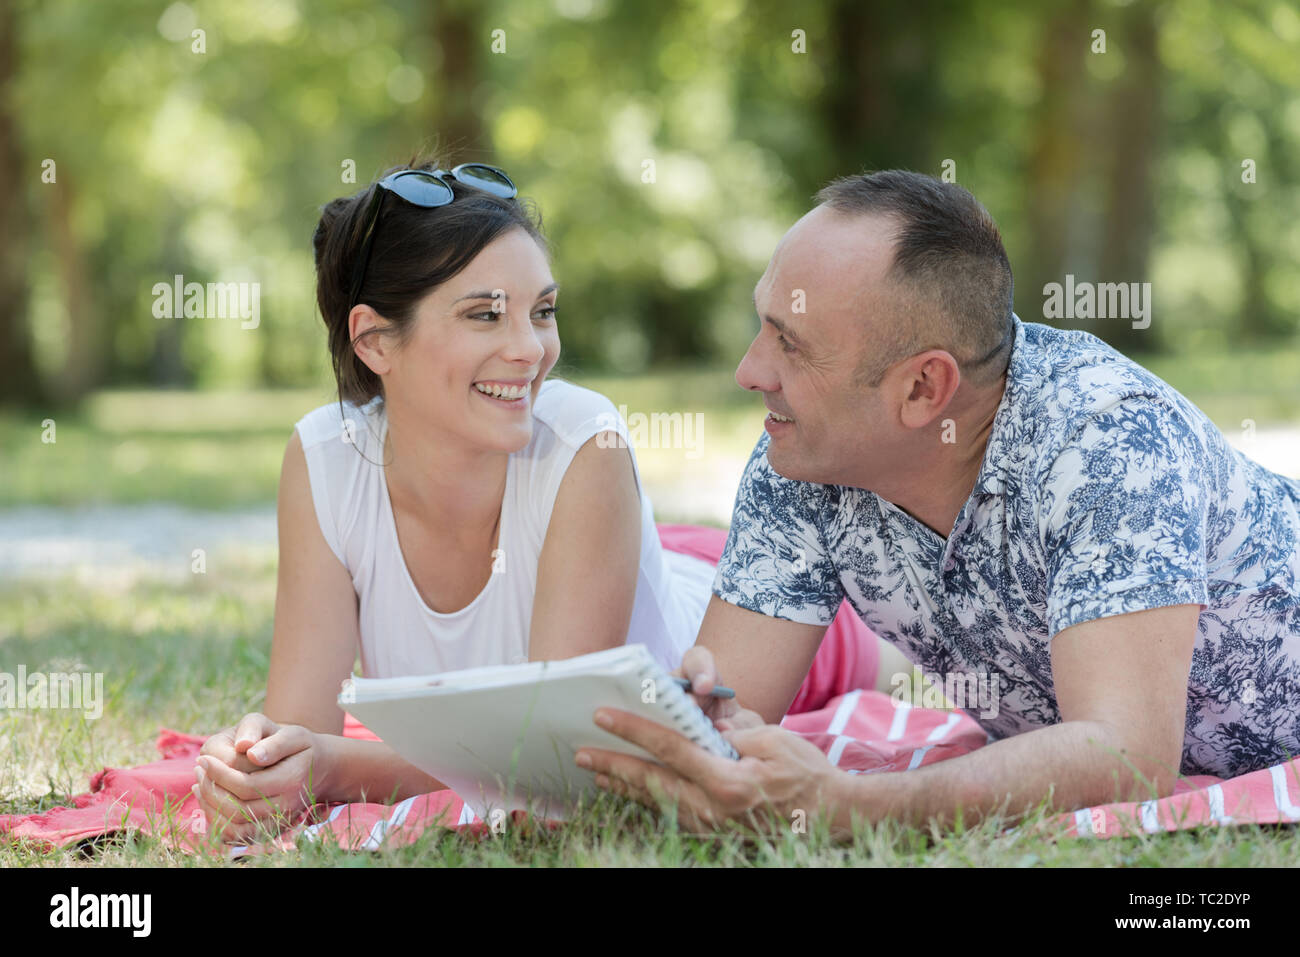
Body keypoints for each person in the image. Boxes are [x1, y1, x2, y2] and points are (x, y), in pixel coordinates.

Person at [576, 169, 1300, 836]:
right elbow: (725, 716)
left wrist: (849, 806)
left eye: (791, 345)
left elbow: (1127, 757)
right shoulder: (802, 458)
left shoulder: (1108, 439)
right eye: (762, 322)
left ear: (924, 388)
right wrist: (696, 733)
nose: (748, 369)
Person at [192, 158, 880, 844]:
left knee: (884, 653)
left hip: (713, 599)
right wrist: (260, 763)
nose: (530, 349)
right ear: (374, 339)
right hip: (618, 552)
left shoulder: (587, 444)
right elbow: (300, 737)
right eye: (485, 315)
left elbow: (556, 763)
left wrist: (336, 766)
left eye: (541, 311)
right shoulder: (323, 457)